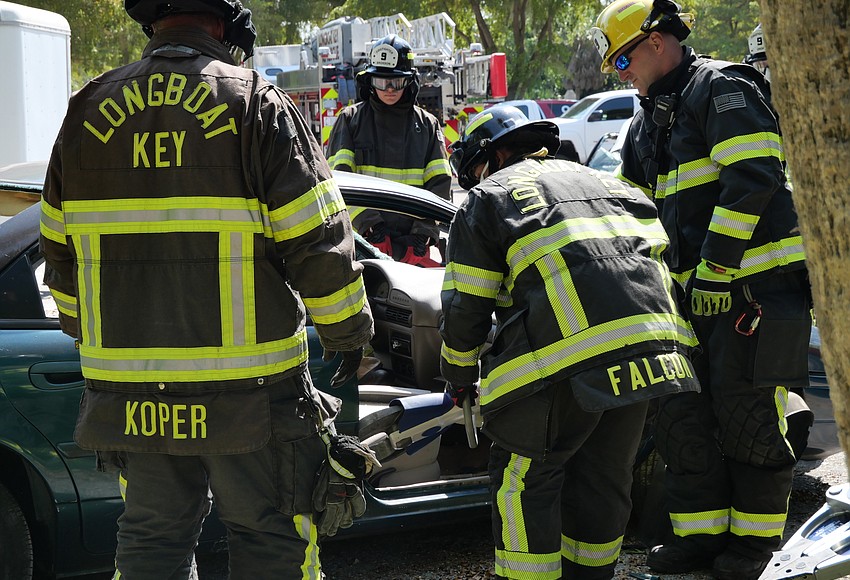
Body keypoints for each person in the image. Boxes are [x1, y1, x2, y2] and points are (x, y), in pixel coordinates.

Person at [39, 1, 375, 578]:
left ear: (153, 23)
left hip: (133, 396)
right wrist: (348, 332)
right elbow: (316, 240)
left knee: (151, 540)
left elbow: (58, 250)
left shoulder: (86, 109)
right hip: (251, 397)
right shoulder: (255, 103)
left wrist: (88, 330)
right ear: (220, 24)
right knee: (270, 536)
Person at [591, 1, 811, 579]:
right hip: (686, 300)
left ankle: (754, 546)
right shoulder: (645, 122)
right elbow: (632, 211)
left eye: (623, 61)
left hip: (752, 289)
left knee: (747, 416)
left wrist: (716, 269)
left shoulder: (721, 89)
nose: (622, 74)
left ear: (656, 42)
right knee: (681, 419)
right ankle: (700, 537)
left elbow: (754, 178)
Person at [440, 105, 700, 580]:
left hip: (569, 361)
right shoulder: (610, 185)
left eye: (475, 169)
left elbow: (466, 307)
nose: (476, 179)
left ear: (493, 156)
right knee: (604, 477)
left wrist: (458, 375)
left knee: (523, 480)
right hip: (654, 351)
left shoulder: (489, 197)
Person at [327, 34, 452, 267]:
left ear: (410, 81)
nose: (390, 89)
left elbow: (440, 186)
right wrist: (369, 226)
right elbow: (337, 184)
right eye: (382, 82)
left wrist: (423, 234)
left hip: (414, 245)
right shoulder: (351, 120)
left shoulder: (427, 125)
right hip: (363, 244)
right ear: (370, 81)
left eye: (397, 81)